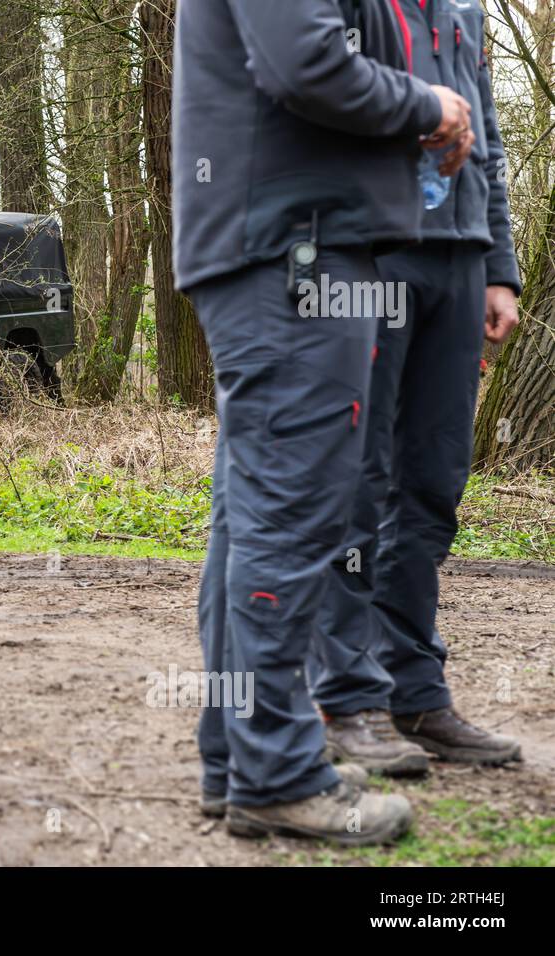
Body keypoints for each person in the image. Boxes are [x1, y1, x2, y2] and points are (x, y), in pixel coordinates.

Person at [173, 0, 473, 844]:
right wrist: (431, 105)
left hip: (280, 245)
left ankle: (240, 757)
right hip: (293, 252)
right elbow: (305, 63)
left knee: (251, 517)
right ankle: (277, 774)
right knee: (289, 518)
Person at [308, 0, 523, 774]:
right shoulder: (351, 7)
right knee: (357, 476)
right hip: (371, 251)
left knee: (432, 483)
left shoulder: (466, 13)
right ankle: (347, 699)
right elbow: (319, 92)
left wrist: (500, 270)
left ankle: (416, 695)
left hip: (461, 263)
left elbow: (488, 141)